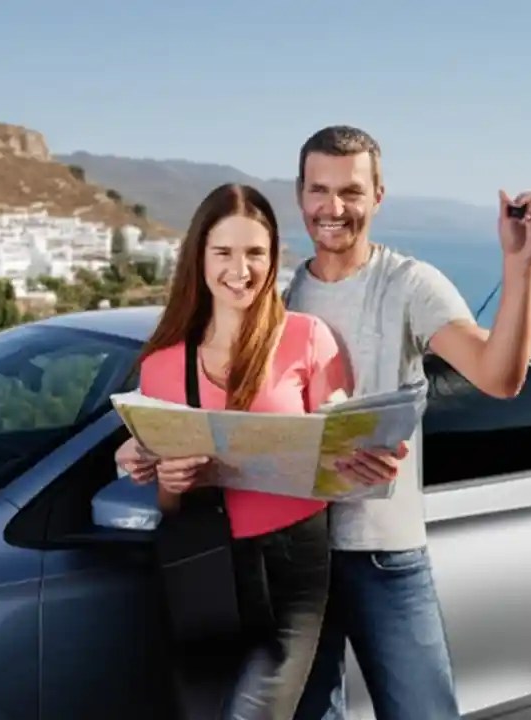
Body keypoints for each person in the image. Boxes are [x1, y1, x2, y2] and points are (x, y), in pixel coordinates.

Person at [279, 126, 531, 720]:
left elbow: (498, 376)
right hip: (299, 557)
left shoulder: (408, 285)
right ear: (299, 195)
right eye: (319, 191)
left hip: (386, 555)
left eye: (351, 192)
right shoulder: (282, 295)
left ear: (378, 196)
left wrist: (519, 267)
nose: (333, 209)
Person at [115, 182, 355, 720]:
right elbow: (169, 506)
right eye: (224, 252)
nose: (240, 269)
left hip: (295, 566)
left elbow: (341, 454)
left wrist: (366, 448)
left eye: (255, 253)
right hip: (203, 570)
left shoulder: (308, 338)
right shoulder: (162, 365)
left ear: (273, 260)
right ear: (199, 257)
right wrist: (168, 481)